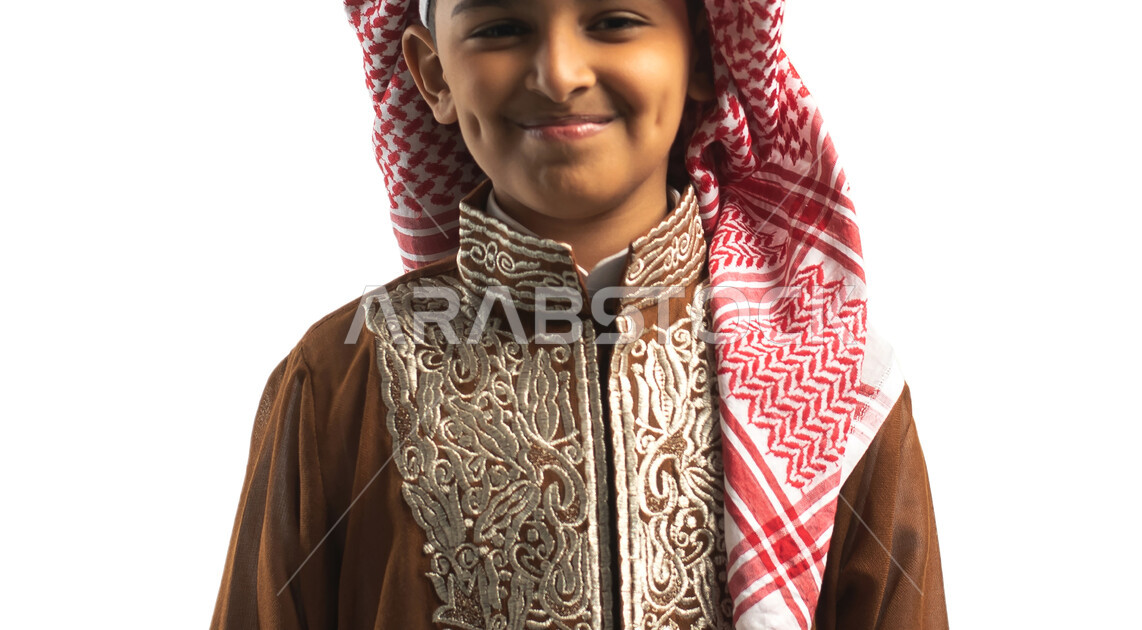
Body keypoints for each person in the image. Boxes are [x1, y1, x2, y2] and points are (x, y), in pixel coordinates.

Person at [210, 0, 948, 627]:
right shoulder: (339, 377)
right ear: (433, 73)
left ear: (702, 57)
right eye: (501, 28)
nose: (560, 73)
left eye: (614, 20)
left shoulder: (834, 387)